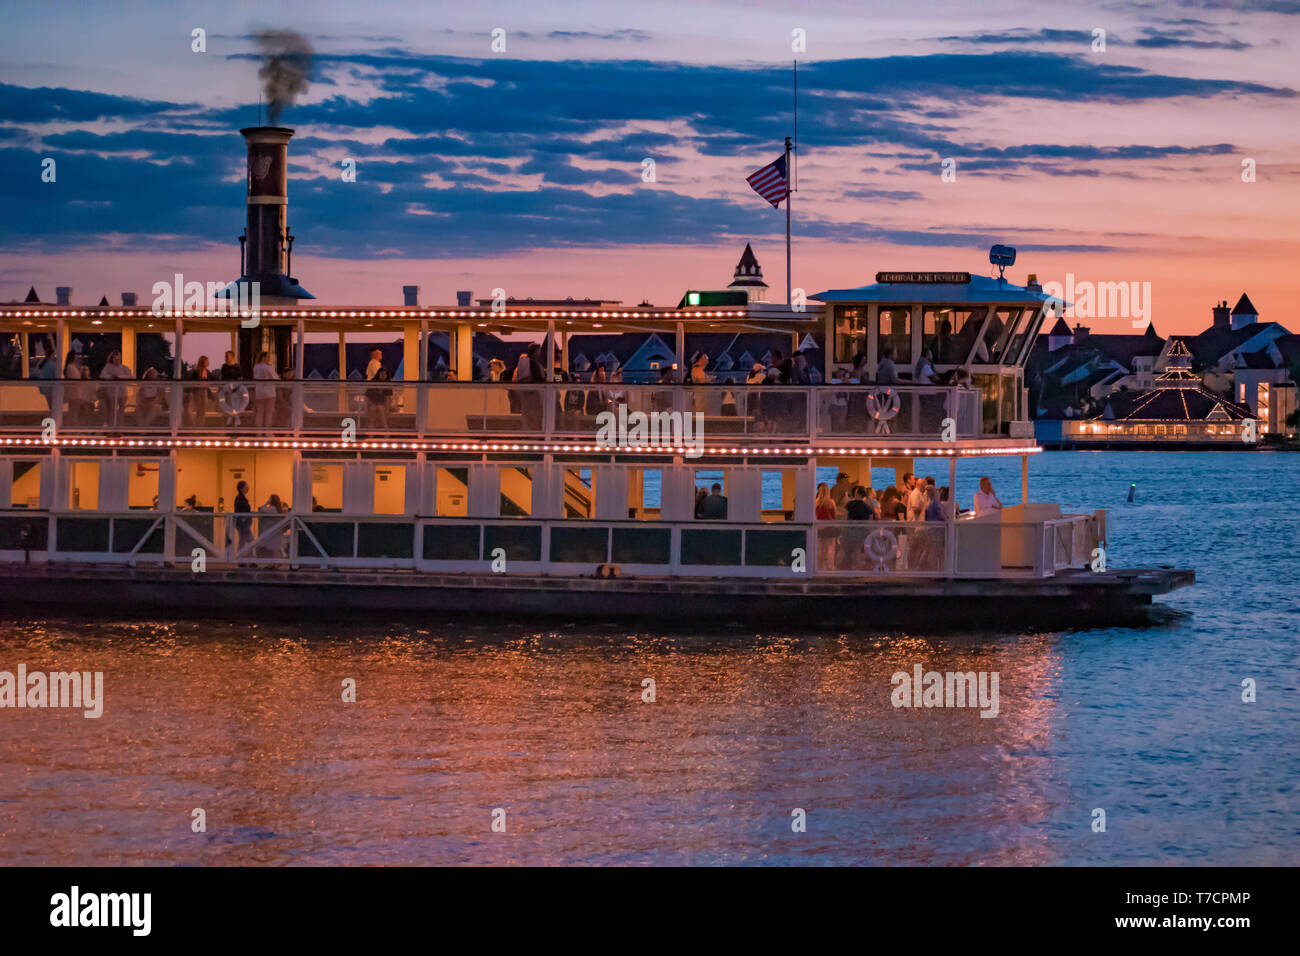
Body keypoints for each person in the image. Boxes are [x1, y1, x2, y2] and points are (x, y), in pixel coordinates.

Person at [98, 349, 133, 426]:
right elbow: (102, 376)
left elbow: (130, 376)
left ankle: (120, 426)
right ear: (112, 359)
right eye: (115, 359)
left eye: (119, 359)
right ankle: (112, 426)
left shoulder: (124, 368)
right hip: (112, 392)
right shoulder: (108, 367)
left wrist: (119, 377)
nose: (117, 360)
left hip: (122, 392)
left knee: (121, 409)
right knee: (112, 410)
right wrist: (111, 377)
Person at [815, 482, 838, 571]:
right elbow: (834, 516)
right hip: (830, 527)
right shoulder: (831, 502)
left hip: (820, 528)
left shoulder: (816, 503)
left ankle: (819, 566)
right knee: (830, 548)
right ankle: (830, 566)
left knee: (821, 548)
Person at [252, 351, 277, 428]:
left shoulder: (255, 367)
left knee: (259, 412)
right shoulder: (269, 368)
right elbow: (276, 378)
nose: (268, 359)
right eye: (268, 357)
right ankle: (267, 431)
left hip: (259, 393)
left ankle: (258, 431)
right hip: (269, 393)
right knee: (268, 413)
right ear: (264, 358)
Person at [230, 480, 253, 562]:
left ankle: (241, 559)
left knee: (242, 541)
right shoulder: (240, 498)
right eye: (246, 487)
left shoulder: (241, 498)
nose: (247, 488)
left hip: (243, 523)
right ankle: (248, 560)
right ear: (241, 488)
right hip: (242, 523)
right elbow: (240, 511)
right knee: (250, 541)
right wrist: (245, 518)